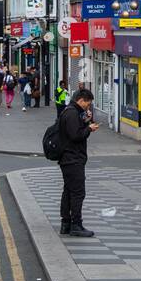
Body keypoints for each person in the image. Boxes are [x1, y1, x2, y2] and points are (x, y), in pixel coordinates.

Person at [58, 88, 99, 237]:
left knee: (69, 191)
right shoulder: (71, 113)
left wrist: (86, 122)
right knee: (77, 192)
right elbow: (76, 135)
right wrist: (88, 128)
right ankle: (76, 224)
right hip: (72, 158)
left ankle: (66, 224)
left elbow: (74, 131)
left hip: (69, 158)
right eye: (87, 104)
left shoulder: (71, 112)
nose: (88, 107)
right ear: (81, 100)